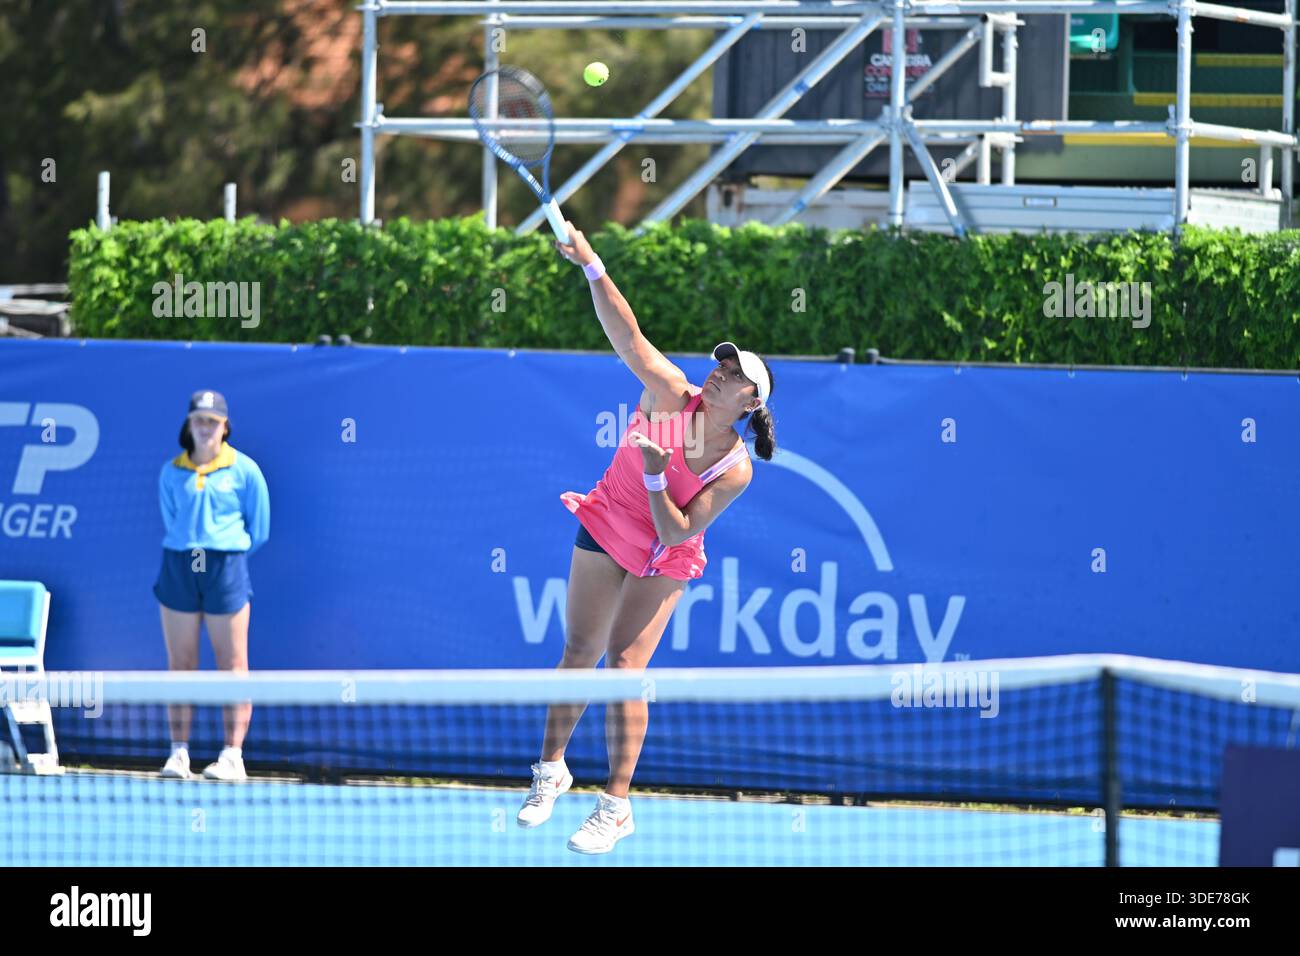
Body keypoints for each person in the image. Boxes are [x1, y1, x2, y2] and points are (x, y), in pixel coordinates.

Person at [518, 222, 778, 854]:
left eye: (735, 374)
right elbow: (628, 338)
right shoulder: (670, 393)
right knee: (579, 648)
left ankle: (616, 806)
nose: (720, 372)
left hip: (667, 544)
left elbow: (676, 528)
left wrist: (661, 477)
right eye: (721, 363)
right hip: (610, 516)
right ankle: (550, 771)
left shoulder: (734, 468)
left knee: (625, 665)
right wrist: (591, 265)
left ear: (750, 402)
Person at [153, 390, 269, 782]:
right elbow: (172, 521)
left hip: (226, 569)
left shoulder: (246, 471)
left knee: (232, 666)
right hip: (178, 567)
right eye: (198, 420)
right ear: (189, 426)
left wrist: (227, 558)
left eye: (212, 421)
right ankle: (178, 754)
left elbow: (260, 529)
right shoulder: (172, 472)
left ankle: (232, 756)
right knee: (180, 665)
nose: (205, 428)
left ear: (225, 427)